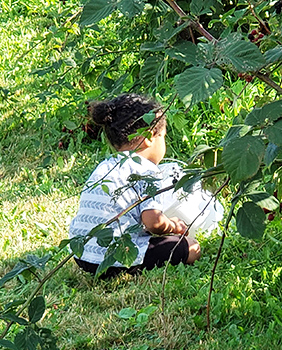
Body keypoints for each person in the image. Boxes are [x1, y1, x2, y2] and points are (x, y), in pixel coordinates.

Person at [69, 93, 201, 277]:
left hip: (82, 255)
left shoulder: (105, 166)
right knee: (192, 247)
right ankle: (128, 267)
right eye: (163, 136)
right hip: (116, 258)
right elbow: (153, 223)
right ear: (149, 136)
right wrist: (173, 226)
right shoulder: (148, 172)